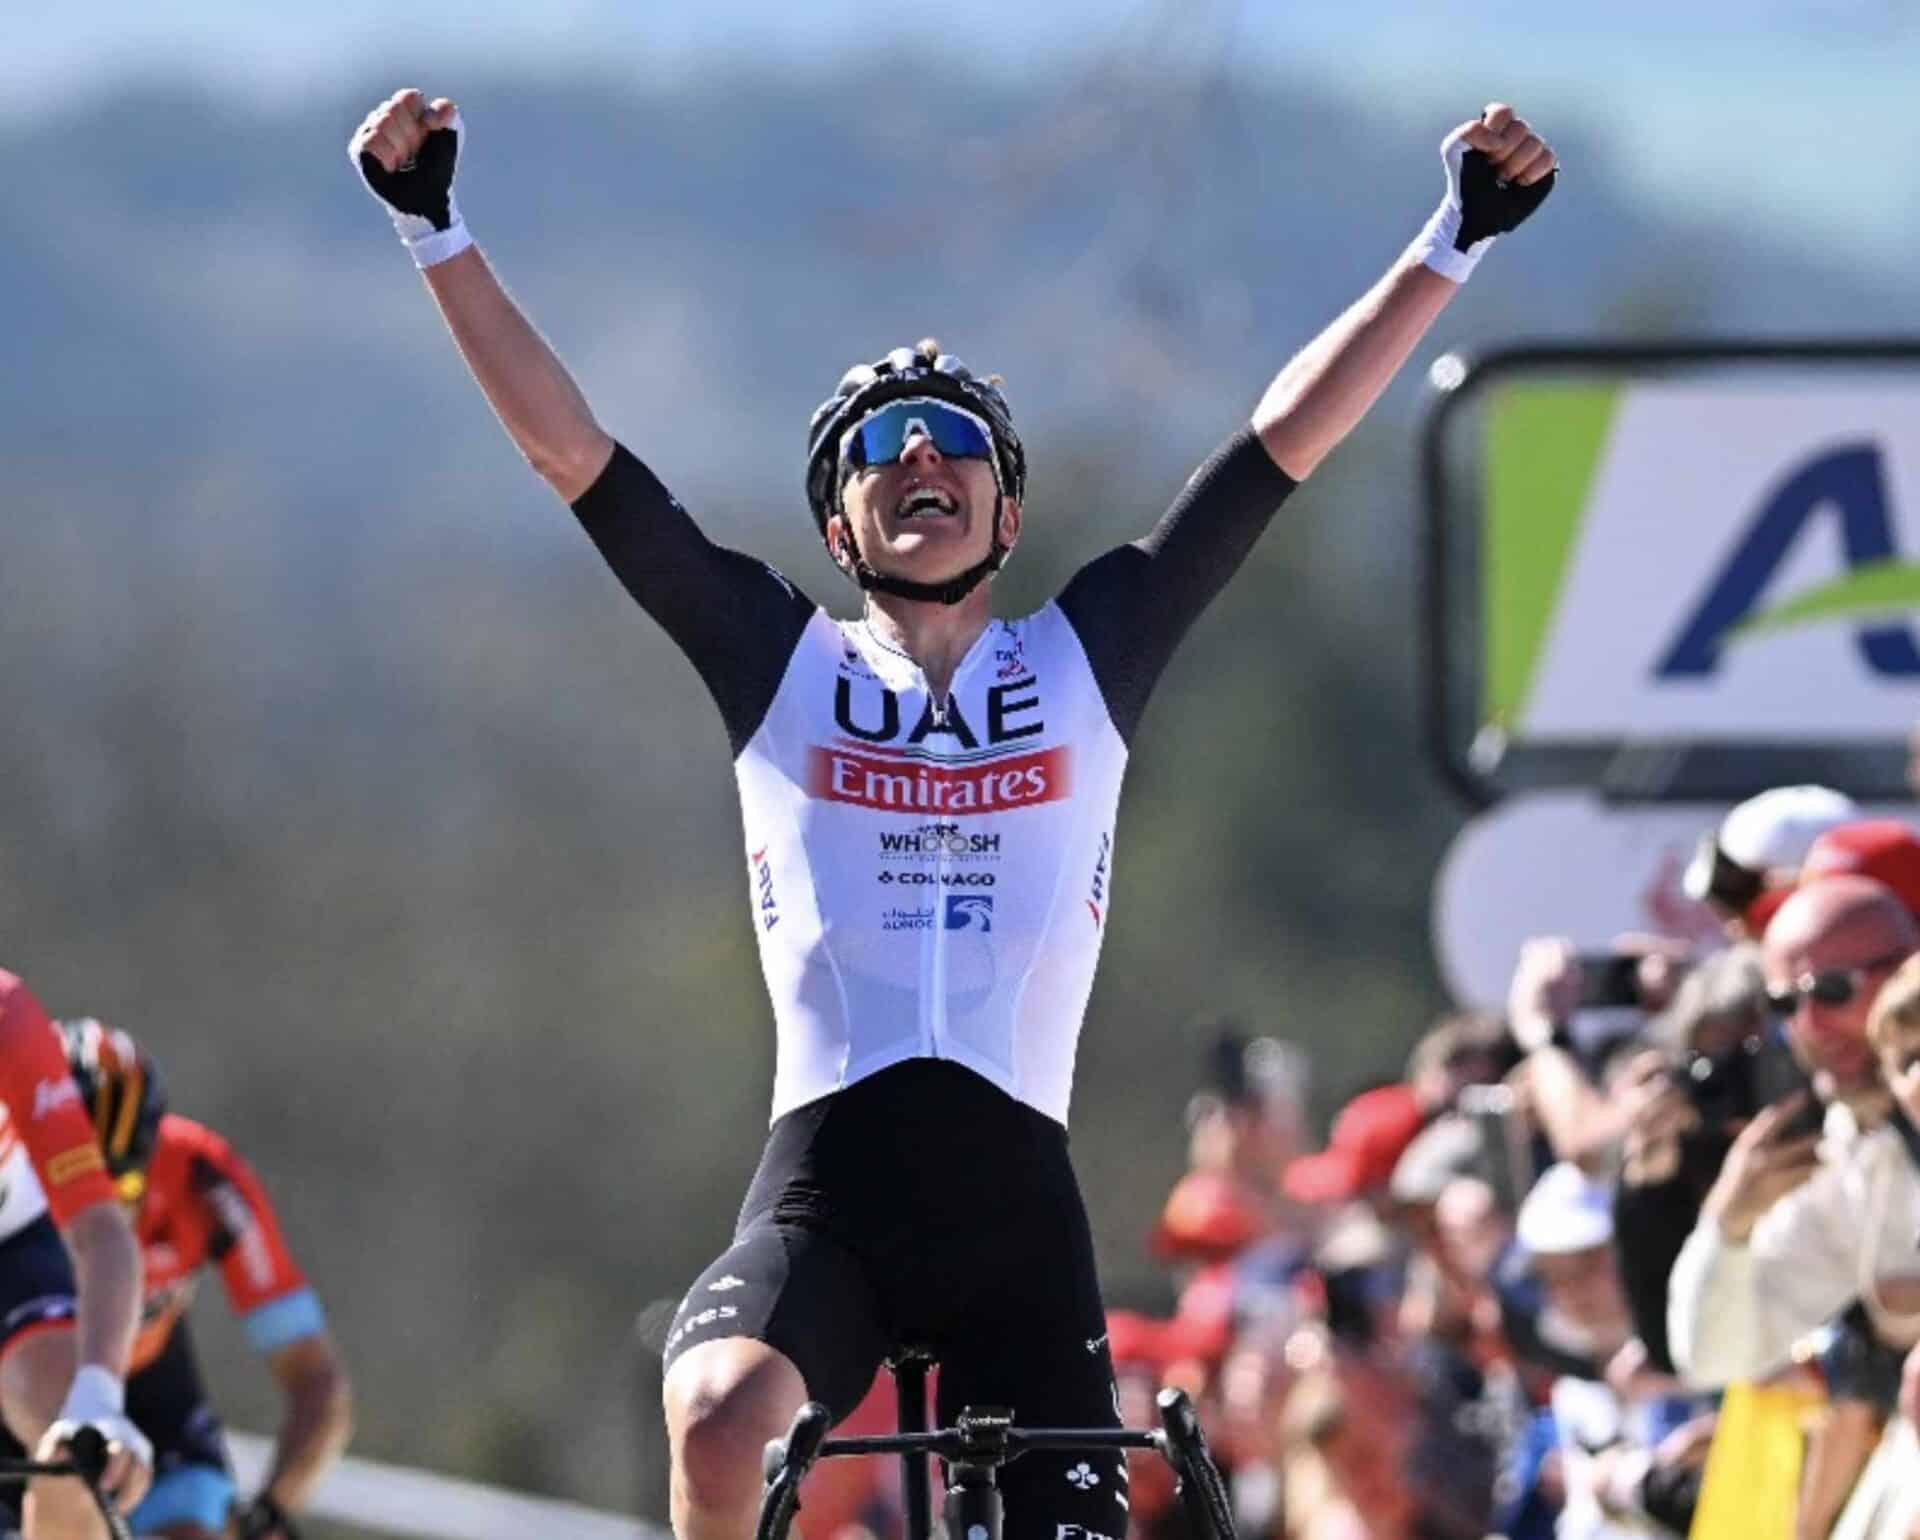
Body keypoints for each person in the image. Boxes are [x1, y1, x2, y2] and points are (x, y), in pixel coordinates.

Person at [348, 84, 1558, 1540]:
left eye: (954, 440)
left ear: (1008, 510)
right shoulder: (775, 659)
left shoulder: (1086, 656)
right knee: (721, 1420)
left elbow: (1278, 446)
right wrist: (436, 230)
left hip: (1015, 1221)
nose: (919, 455)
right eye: (880, 448)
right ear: (838, 528)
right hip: (827, 1198)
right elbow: (575, 458)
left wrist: (1454, 238)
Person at [50, 1020, 352, 1540]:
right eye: (64, 1188)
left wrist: (269, 1513)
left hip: (153, 1393)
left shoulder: (203, 1177)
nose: (96, 1209)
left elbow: (316, 1380)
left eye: (120, 1187)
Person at [1667, 876, 1920, 1388]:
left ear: (1906, 969)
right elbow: (1715, 1359)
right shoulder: (1848, 1147)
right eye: (1784, 1005)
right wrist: (1728, 1225)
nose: (1809, 1025)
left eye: (1832, 989)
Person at [0, 974, 151, 1540]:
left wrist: (97, 1399)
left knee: (73, 1440)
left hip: (9, 1241)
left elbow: (102, 1232)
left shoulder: (7, 1016)